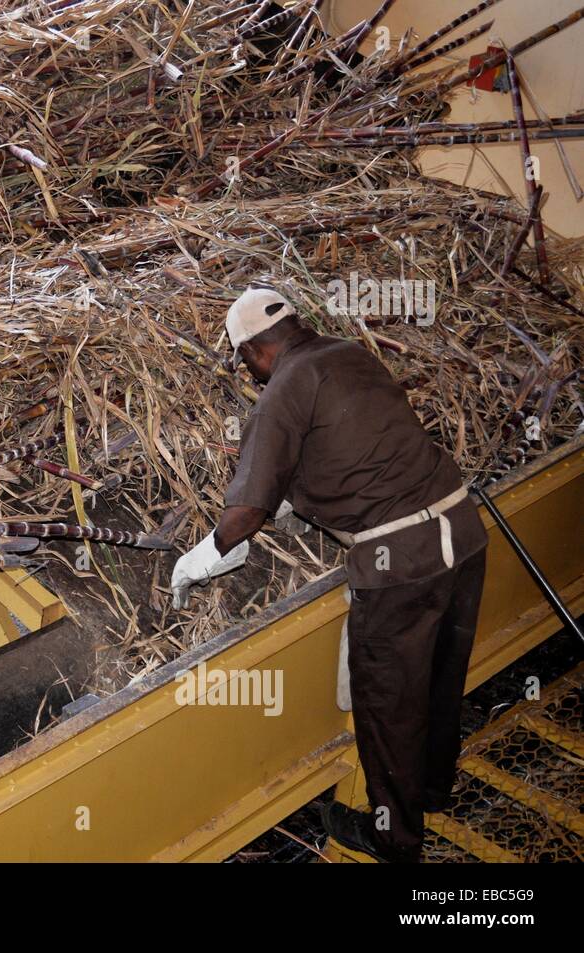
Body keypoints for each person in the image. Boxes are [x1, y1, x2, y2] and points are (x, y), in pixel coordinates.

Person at [170, 287, 488, 863]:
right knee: (442, 677)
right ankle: (435, 790)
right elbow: (356, 443)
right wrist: (307, 496)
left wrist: (205, 556)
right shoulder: (349, 352)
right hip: (462, 531)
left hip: (403, 564)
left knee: (389, 701)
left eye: (244, 362)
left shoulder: (284, 387)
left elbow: (245, 510)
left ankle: (394, 837)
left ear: (254, 351)